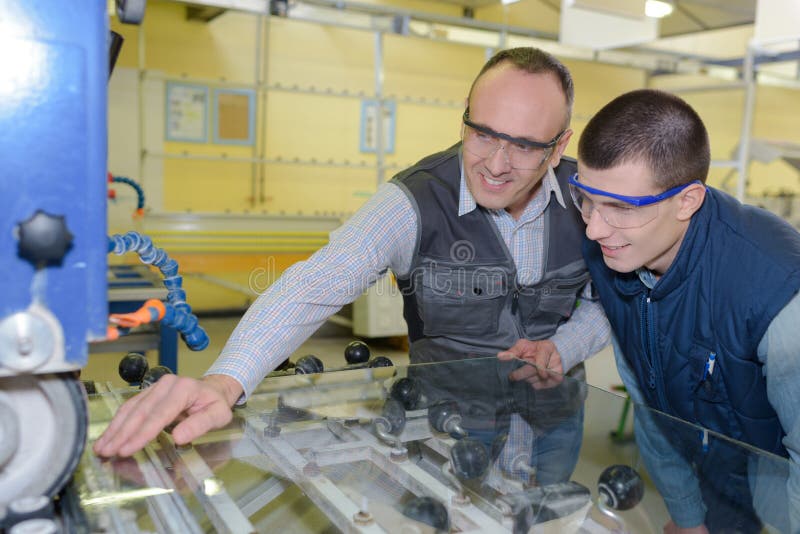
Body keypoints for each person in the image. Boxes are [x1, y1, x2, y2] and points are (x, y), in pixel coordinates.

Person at [94, 47, 610, 484]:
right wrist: (224, 382)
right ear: (464, 118)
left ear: (560, 146)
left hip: (553, 426)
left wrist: (565, 347)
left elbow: (610, 301)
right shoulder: (413, 200)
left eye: (523, 145)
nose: (496, 163)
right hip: (445, 426)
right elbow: (315, 283)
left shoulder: (590, 203)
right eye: (483, 134)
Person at [571, 88, 800, 533]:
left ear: (687, 201)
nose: (595, 228)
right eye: (587, 199)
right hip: (716, 479)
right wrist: (686, 513)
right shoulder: (620, 251)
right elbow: (650, 400)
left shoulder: (776, 293)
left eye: (620, 207)